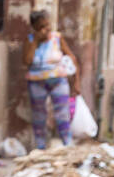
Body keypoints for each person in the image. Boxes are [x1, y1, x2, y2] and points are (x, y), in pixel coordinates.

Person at [23, 9, 78, 149]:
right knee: (39, 116)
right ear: (34, 27)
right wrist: (35, 41)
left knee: (62, 114)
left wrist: (75, 82)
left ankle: (67, 144)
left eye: (47, 25)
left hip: (58, 80)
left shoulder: (57, 38)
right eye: (41, 26)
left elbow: (72, 58)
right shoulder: (30, 40)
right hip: (36, 82)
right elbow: (27, 61)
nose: (46, 29)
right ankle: (40, 147)